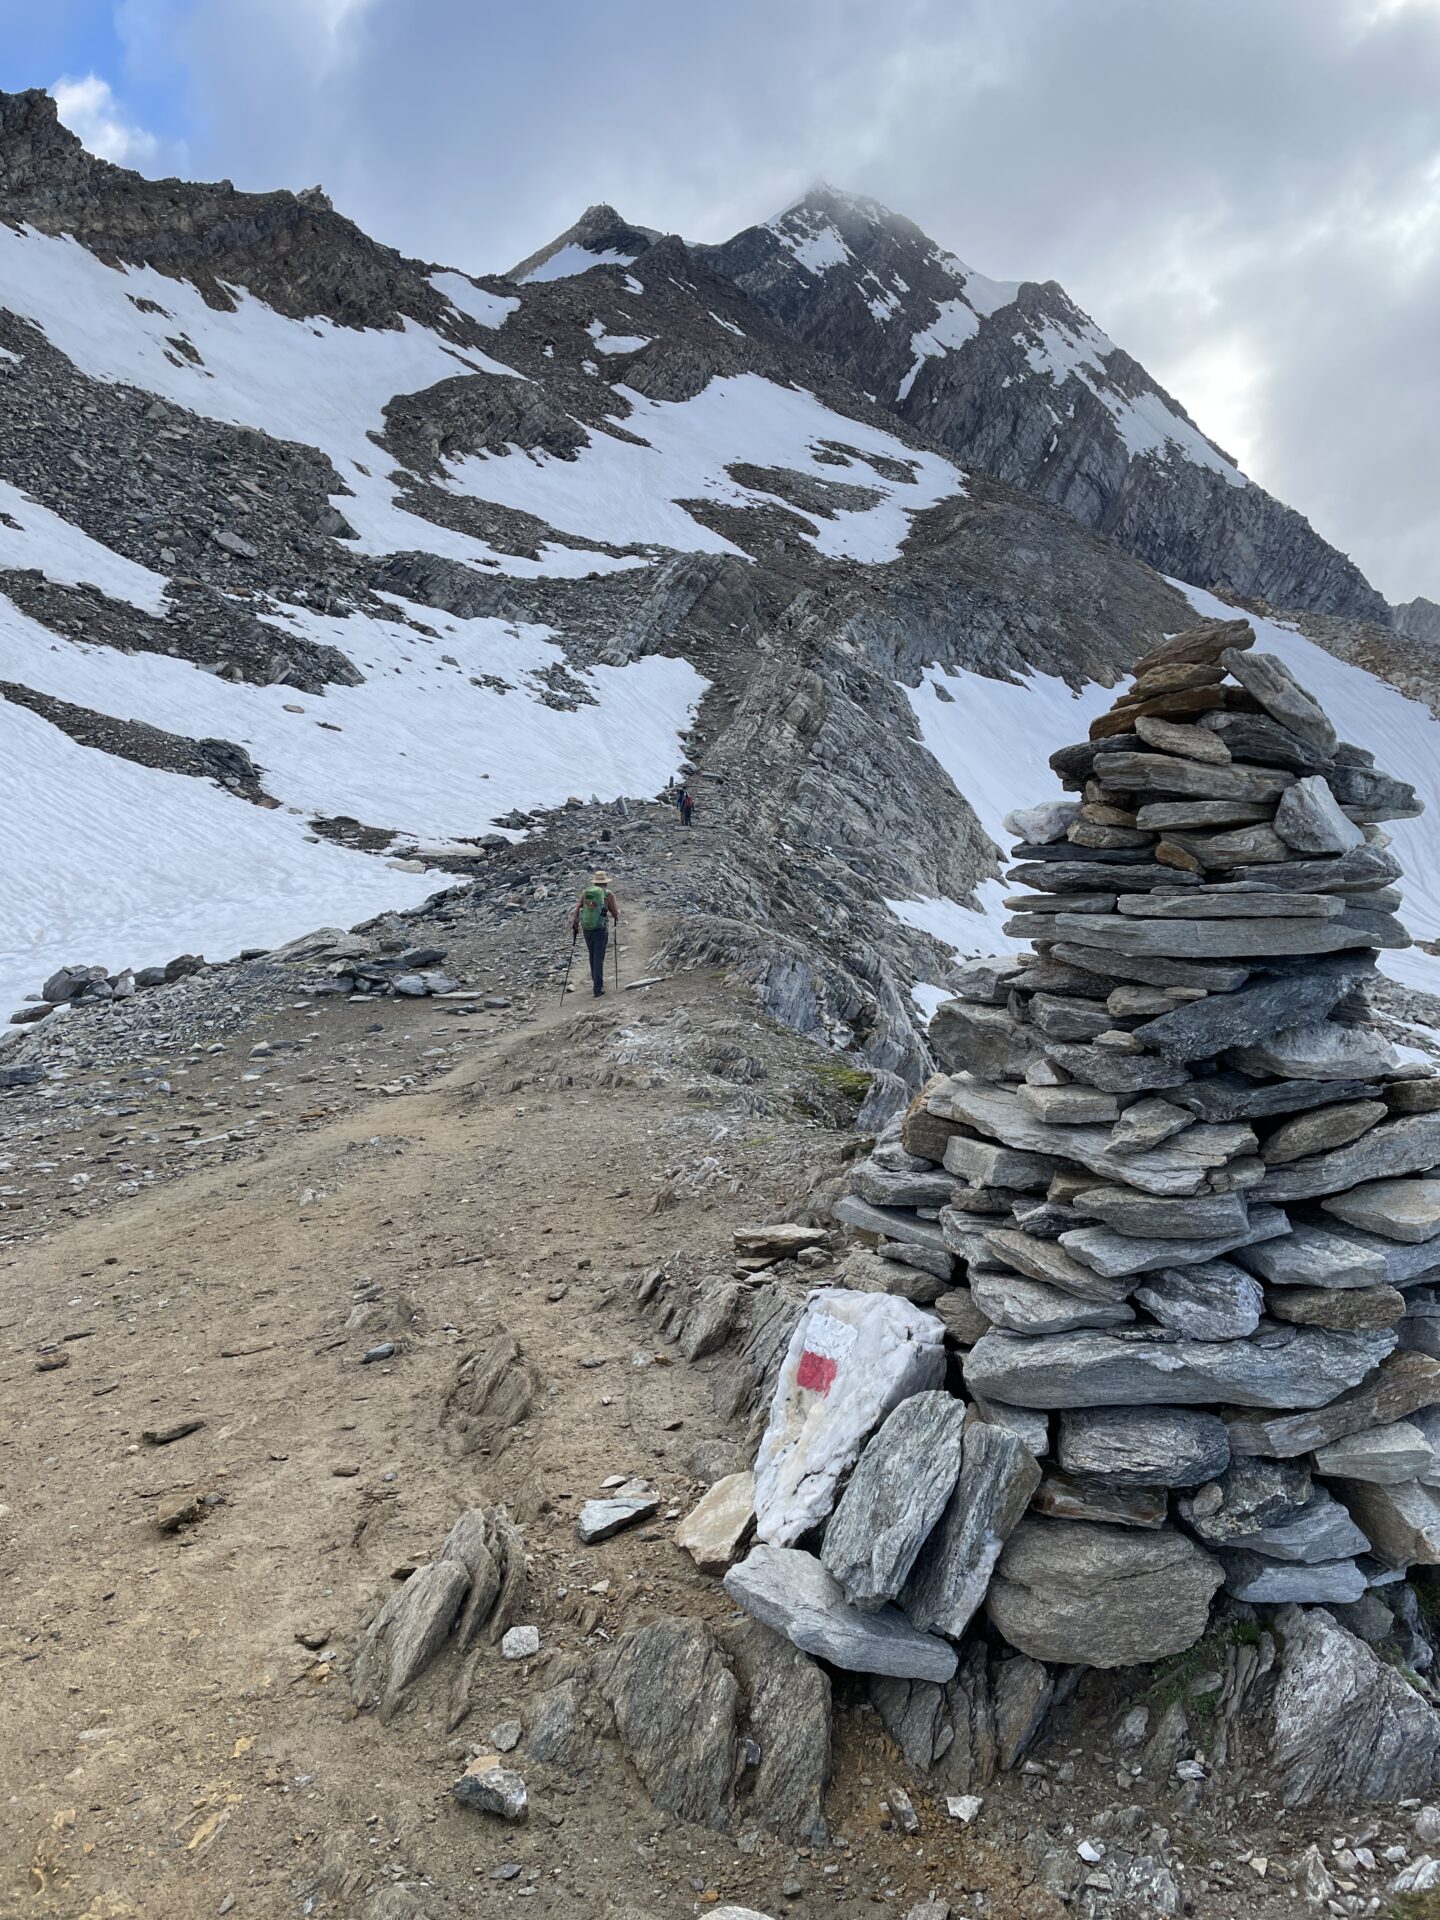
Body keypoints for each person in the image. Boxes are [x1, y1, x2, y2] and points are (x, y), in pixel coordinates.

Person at [570, 868, 619, 997]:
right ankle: (597, 988)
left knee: (592, 955)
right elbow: (615, 912)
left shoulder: (586, 892)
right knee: (599, 957)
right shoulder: (608, 894)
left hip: (587, 928)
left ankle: (596, 981)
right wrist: (616, 915)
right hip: (600, 928)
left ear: (595, 882)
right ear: (605, 882)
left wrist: (575, 923)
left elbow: (578, 907)